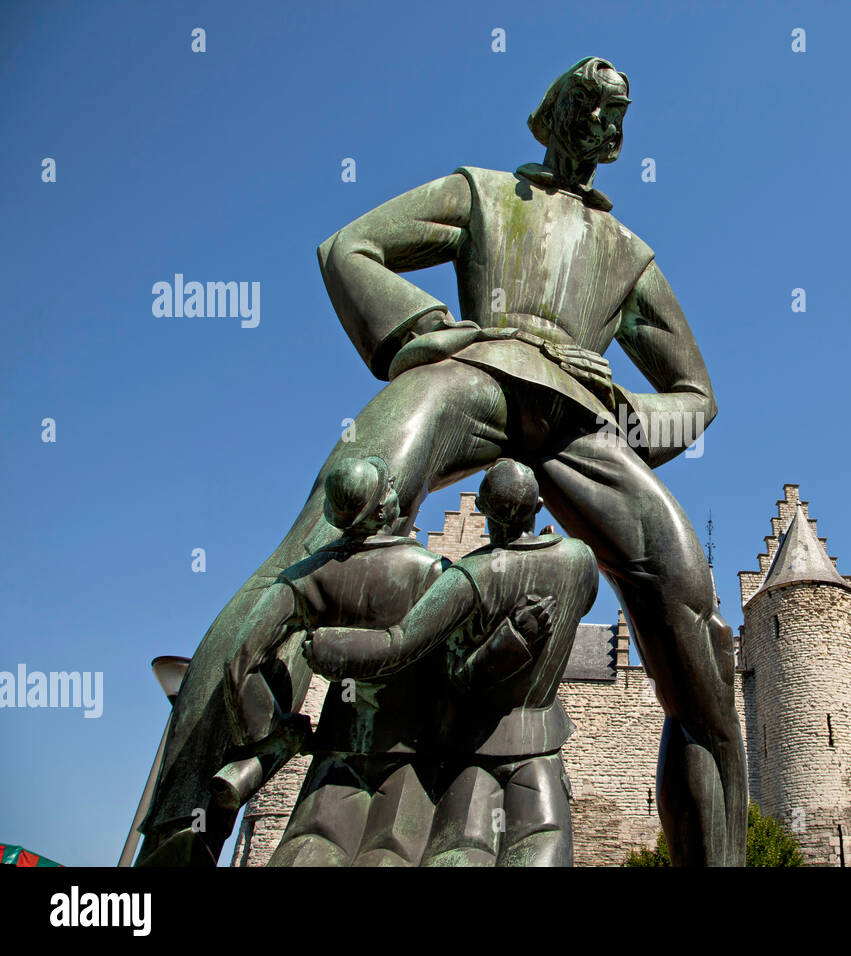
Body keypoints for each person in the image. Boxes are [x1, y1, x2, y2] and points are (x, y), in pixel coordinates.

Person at [140, 55, 745, 867]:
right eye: (588, 106)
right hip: (470, 380)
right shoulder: (484, 192)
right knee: (327, 529)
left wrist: (631, 414)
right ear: (555, 112)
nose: (601, 125)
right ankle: (178, 831)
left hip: (581, 427)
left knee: (693, 617)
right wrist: (431, 332)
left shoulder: (629, 255)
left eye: (615, 115)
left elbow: (697, 395)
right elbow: (351, 248)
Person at [301, 459, 597, 866]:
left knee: (460, 852)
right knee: (543, 847)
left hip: (472, 754)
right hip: (542, 749)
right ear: (540, 505)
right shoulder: (580, 561)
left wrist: (326, 646)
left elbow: (402, 646)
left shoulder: (469, 575)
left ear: (482, 511)